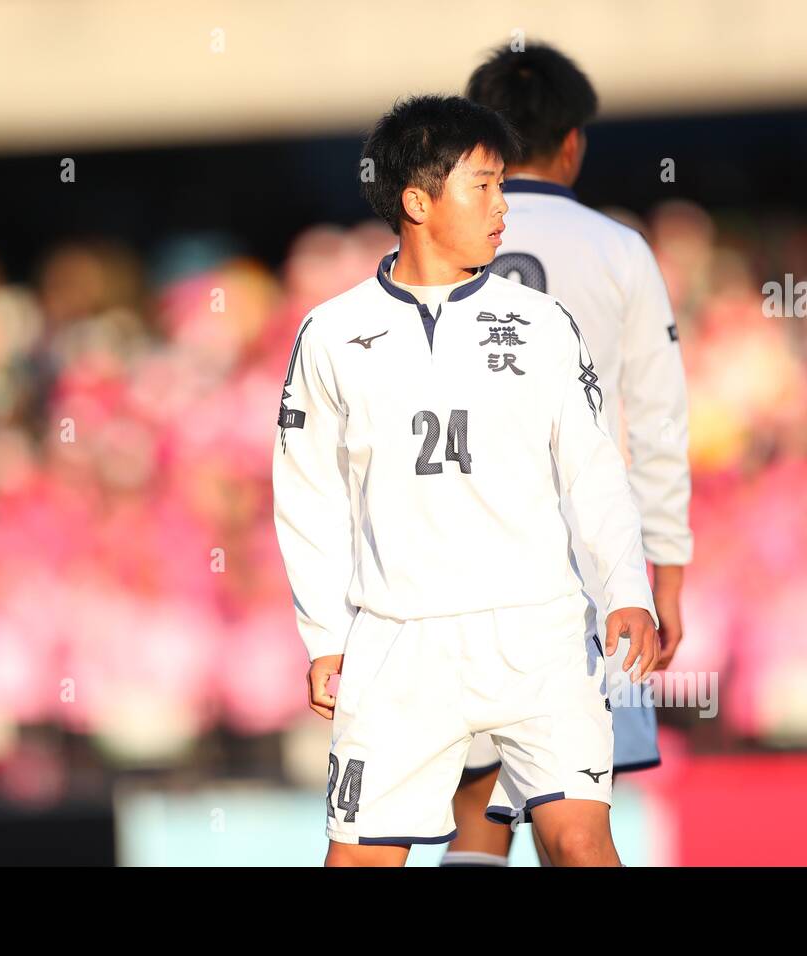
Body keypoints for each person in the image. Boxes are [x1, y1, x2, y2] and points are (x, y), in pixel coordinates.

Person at [271, 94, 659, 867]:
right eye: (482, 186)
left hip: (539, 631)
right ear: (417, 202)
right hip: (399, 642)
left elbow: (592, 467)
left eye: (502, 184)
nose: (502, 206)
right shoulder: (332, 335)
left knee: (580, 842)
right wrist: (326, 637)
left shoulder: (541, 323)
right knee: (359, 860)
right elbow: (307, 493)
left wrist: (628, 588)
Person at [442, 42, 693, 867]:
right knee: (573, 812)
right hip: (582, 570)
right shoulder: (617, 249)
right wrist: (665, 575)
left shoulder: (435, 248)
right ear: (573, 141)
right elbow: (657, 422)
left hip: (455, 565)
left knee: (476, 805)